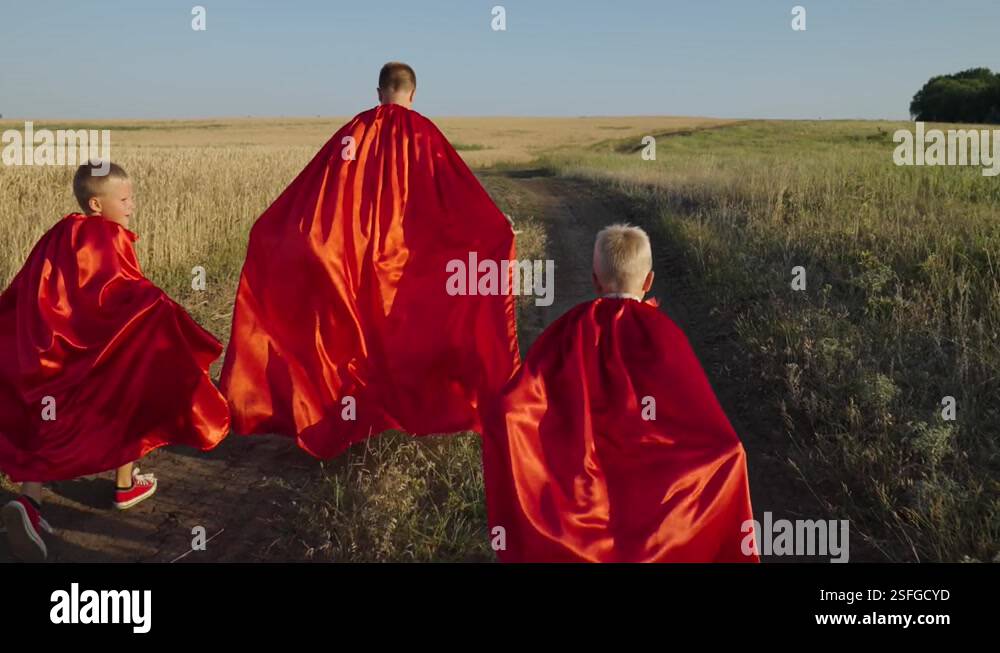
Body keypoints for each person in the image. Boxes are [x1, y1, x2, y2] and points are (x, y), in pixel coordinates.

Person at [220, 62, 519, 459]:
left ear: (379, 92)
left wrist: (274, 233)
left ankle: (344, 418)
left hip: (353, 255)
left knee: (349, 335)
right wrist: (496, 231)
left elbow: (318, 189)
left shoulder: (354, 132)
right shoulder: (425, 134)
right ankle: (396, 414)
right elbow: (454, 196)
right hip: (407, 261)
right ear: (413, 94)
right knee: (402, 330)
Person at [481, 224, 758, 562]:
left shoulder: (568, 329)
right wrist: (727, 454)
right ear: (648, 281)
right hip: (648, 483)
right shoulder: (663, 333)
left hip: (584, 482)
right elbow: (695, 410)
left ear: (595, 280)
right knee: (730, 454)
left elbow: (515, 404)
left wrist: (509, 432)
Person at [0, 161, 230, 562]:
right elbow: (119, 291)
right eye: (124, 199)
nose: (131, 206)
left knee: (45, 419)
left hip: (53, 353)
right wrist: (159, 309)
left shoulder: (59, 233)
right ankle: (125, 484)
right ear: (95, 204)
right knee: (130, 393)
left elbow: (31, 286)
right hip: (99, 350)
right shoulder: (109, 237)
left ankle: (30, 504)